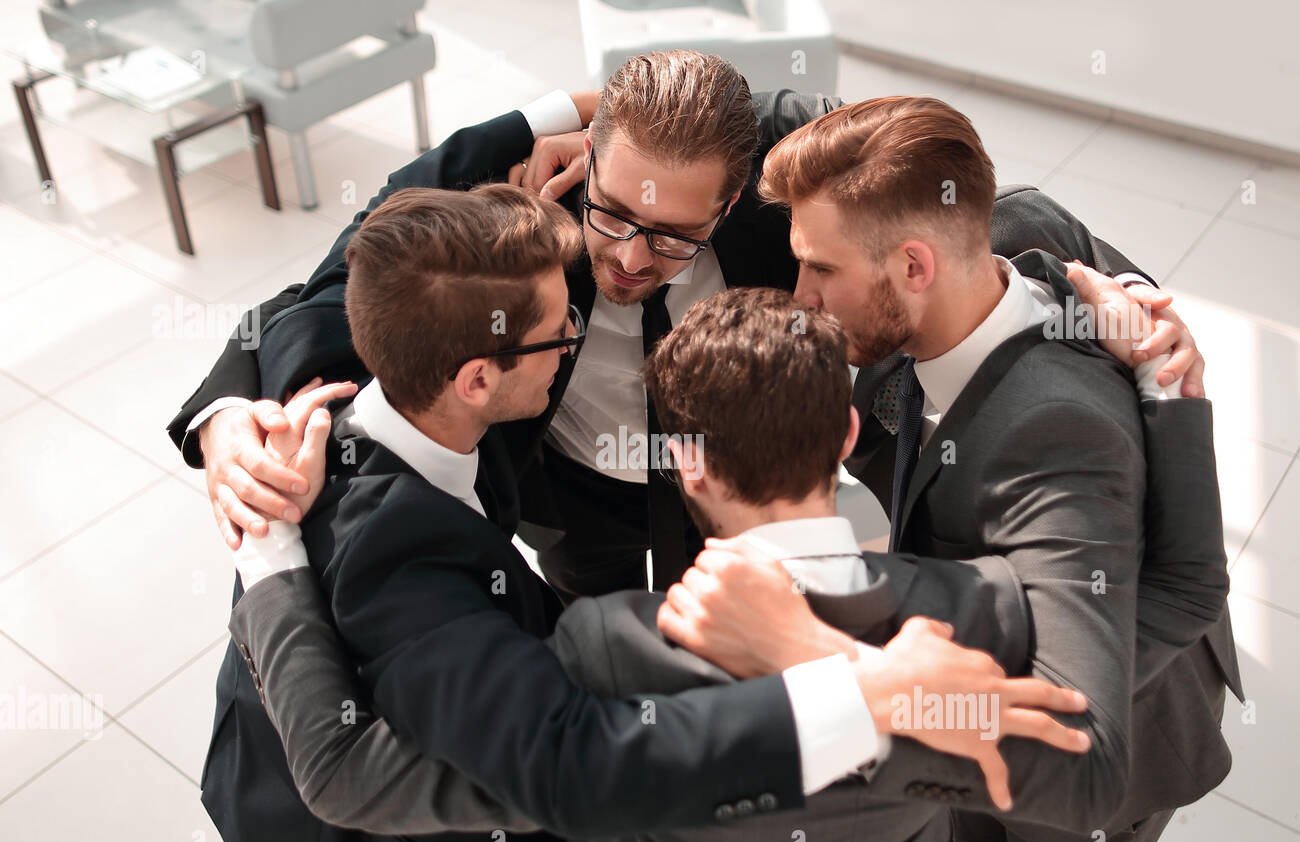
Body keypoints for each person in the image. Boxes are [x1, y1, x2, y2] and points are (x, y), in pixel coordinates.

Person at [208, 182, 1086, 842]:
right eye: (562, 336)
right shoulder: (977, 607)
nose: (578, 346)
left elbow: (344, 269)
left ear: (686, 466)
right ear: (849, 432)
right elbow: (527, 763)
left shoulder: (607, 640)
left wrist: (569, 112)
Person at [165, 50, 1205, 603]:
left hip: (759, 475)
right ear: (581, 157)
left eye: (670, 237)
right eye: (608, 217)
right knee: (602, 631)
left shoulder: (784, 152)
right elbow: (322, 290)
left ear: (737, 192)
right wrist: (226, 418)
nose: (624, 260)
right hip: (576, 500)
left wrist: (1127, 310)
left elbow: (976, 208)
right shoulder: (513, 177)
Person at [672, 94, 1240, 842]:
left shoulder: (1051, 435)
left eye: (821, 269)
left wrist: (848, 673)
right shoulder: (1011, 236)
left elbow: (1082, 731)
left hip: (1097, 759)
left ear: (913, 266)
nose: (801, 296)